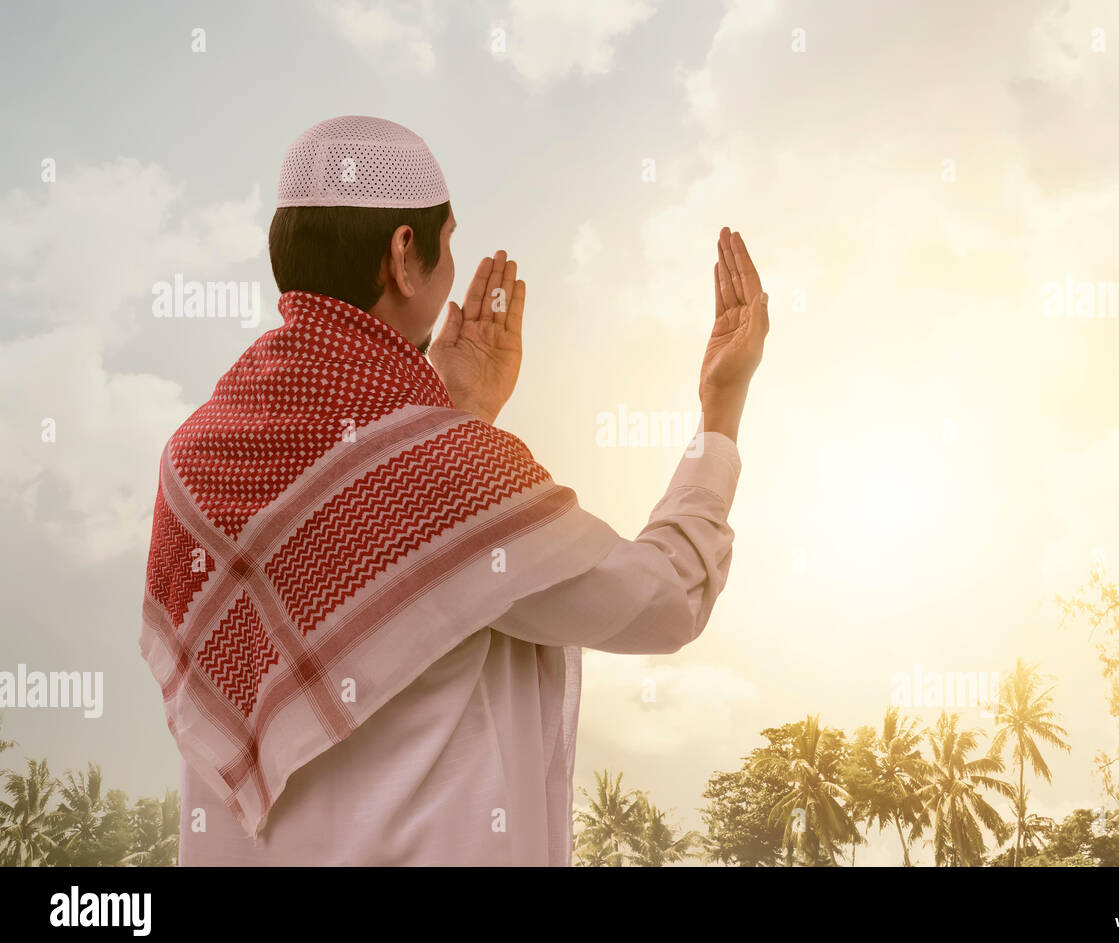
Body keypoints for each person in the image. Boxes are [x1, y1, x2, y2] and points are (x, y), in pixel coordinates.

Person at [139, 115, 768, 865]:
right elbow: (663, 599)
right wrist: (720, 412)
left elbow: (366, 529)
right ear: (405, 255)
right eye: (449, 240)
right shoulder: (450, 472)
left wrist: (451, 411)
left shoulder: (191, 463)